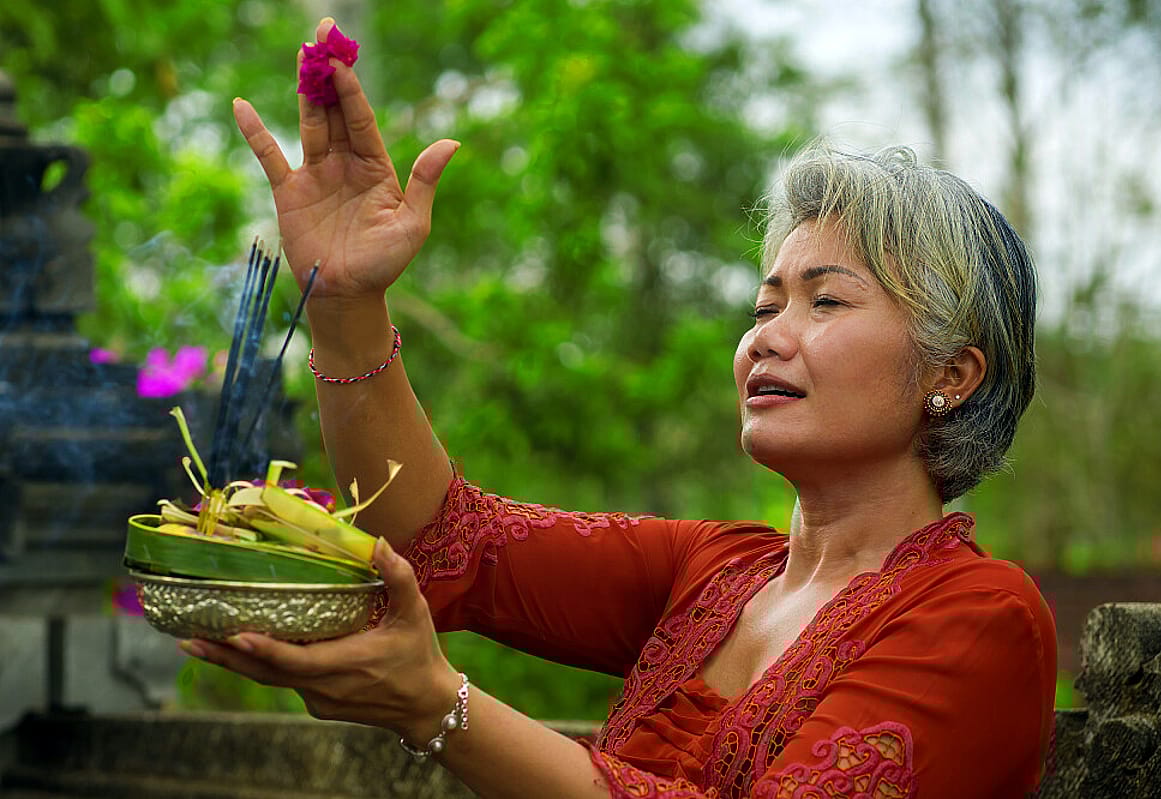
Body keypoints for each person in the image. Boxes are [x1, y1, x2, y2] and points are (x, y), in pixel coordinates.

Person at [182, 16, 1056, 799]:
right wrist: (343, 305)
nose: (766, 339)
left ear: (956, 372)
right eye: (763, 307)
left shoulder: (980, 617)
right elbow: (443, 537)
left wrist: (438, 705)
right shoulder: (715, 571)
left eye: (825, 303)